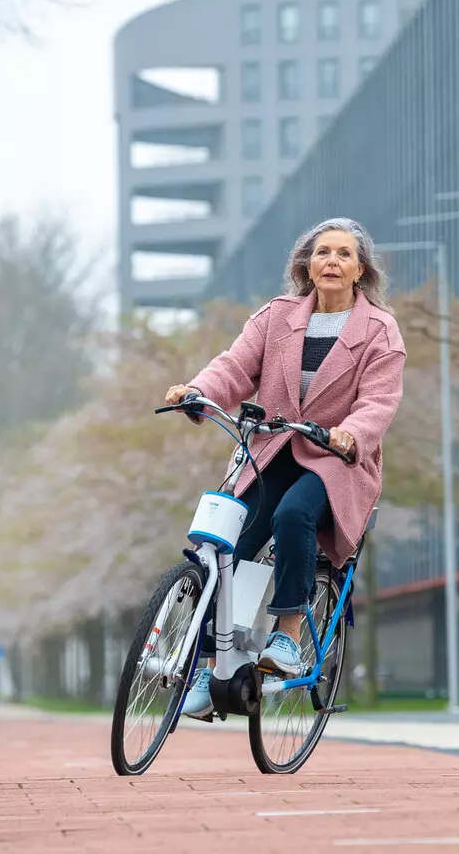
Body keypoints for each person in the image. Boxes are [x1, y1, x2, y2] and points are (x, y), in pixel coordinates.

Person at [164, 217, 405, 719]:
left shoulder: (379, 330)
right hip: (272, 449)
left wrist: (350, 434)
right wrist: (198, 392)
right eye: (322, 253)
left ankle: (288, 635)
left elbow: (379, 402)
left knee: (293, 516)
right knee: (226, 549)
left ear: (360, 269)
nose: (332, 262)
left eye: (343, 254)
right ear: (306, 264)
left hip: (335, 460)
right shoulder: (276, 317)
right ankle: (211, 667)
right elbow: (235, 365)